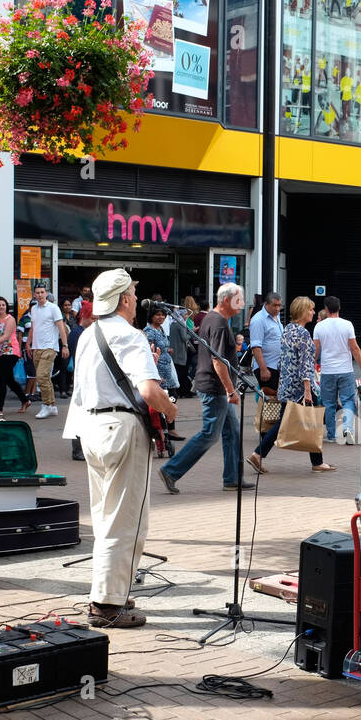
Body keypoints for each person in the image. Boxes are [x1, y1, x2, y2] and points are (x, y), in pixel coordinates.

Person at [63, 269, 178, 629]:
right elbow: (149, 392)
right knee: (126, 521)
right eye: (132, 294)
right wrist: (170, 408)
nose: (135, 300)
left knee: (105, 517)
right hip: (122, 428)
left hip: (92, 428)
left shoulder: (87, 335)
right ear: (125, 300)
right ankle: (107, 604)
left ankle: (113, 591)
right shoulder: (130, 335)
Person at [159, 283, 253, 493]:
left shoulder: (214, 318)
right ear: (227, 300)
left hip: (215, 386)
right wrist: (231, 390)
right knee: (209, 433)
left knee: (233, 430)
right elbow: (218, 361)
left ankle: (232, 478)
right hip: (214, 387)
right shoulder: (218, 323)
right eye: (239, 300)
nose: (243, 304)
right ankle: (171, 470)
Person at [247, 296, 337, 475]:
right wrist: (307, 389)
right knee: (310, 421)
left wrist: (282, 382)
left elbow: (284, 361)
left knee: (291, 422)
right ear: (303, 311)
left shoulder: (288, 329)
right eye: (310, 309)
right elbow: (305, 364)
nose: (313, 312)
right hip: (299, 387)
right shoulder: (303, 334)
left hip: (286, 384)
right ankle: (258, 454)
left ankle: (316, 461)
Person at [312, 295, 361, 443]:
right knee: (348, 400)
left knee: (329, 404)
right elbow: (354, 348)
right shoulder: (347, 324)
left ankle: (332, 435)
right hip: (346, 370)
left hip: (327, 371)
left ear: (326, 309)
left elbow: (316, 349)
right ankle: (348, 428)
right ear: (339, 307)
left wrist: (311, 366)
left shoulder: (319, 326)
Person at [0, 296, 30, 419]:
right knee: (8, 379)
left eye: (3, 305)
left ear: (6, 307)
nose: (1, 307)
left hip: (10, 352)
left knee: (0, 377)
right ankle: (25, 400)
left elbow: (6, 336)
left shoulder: (10, 319)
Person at [26, 286, 69, 419]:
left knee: (41, 376)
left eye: (42, 293)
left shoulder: (53, 308)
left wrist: (65, 345)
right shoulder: (33, 309)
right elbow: (33, 327)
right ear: (34, 294)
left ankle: (46, 405)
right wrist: (28, 343)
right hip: (36, 347)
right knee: (45, 378)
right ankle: (52, 406)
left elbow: (61, 326)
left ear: (46, 294)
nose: (39, 295)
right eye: (37, 293)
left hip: (50, 347)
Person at [66, 303, 96, 461]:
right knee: (80, 414)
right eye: (92, 318)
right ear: (83, 316)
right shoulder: (78, 333)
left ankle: (82, 448)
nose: (94, 322)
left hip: (86, 377)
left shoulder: (82, 332)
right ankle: (78, 450)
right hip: (83, 378)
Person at [249, 292, 285, 394]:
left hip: (276, 366)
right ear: (266, 304)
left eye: (279, 305)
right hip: (268, 366)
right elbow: (256, 347)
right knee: (270, 402)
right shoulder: (258, 320)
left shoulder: (276, 317)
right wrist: (263, 369)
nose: (278, 309)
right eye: (275, 305)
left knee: (277, 402)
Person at [141, 306, 181, 395]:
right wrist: (156, 375)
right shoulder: (149, 332)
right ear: (151, 316)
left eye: (163, 315)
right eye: (158, 315)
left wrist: (167, 350)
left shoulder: (160, 329)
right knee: (166, 399)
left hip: (167, 371)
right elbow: (147, 353)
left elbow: (161, 345)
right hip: (159, 372)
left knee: (172, 398)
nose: (161, 317)